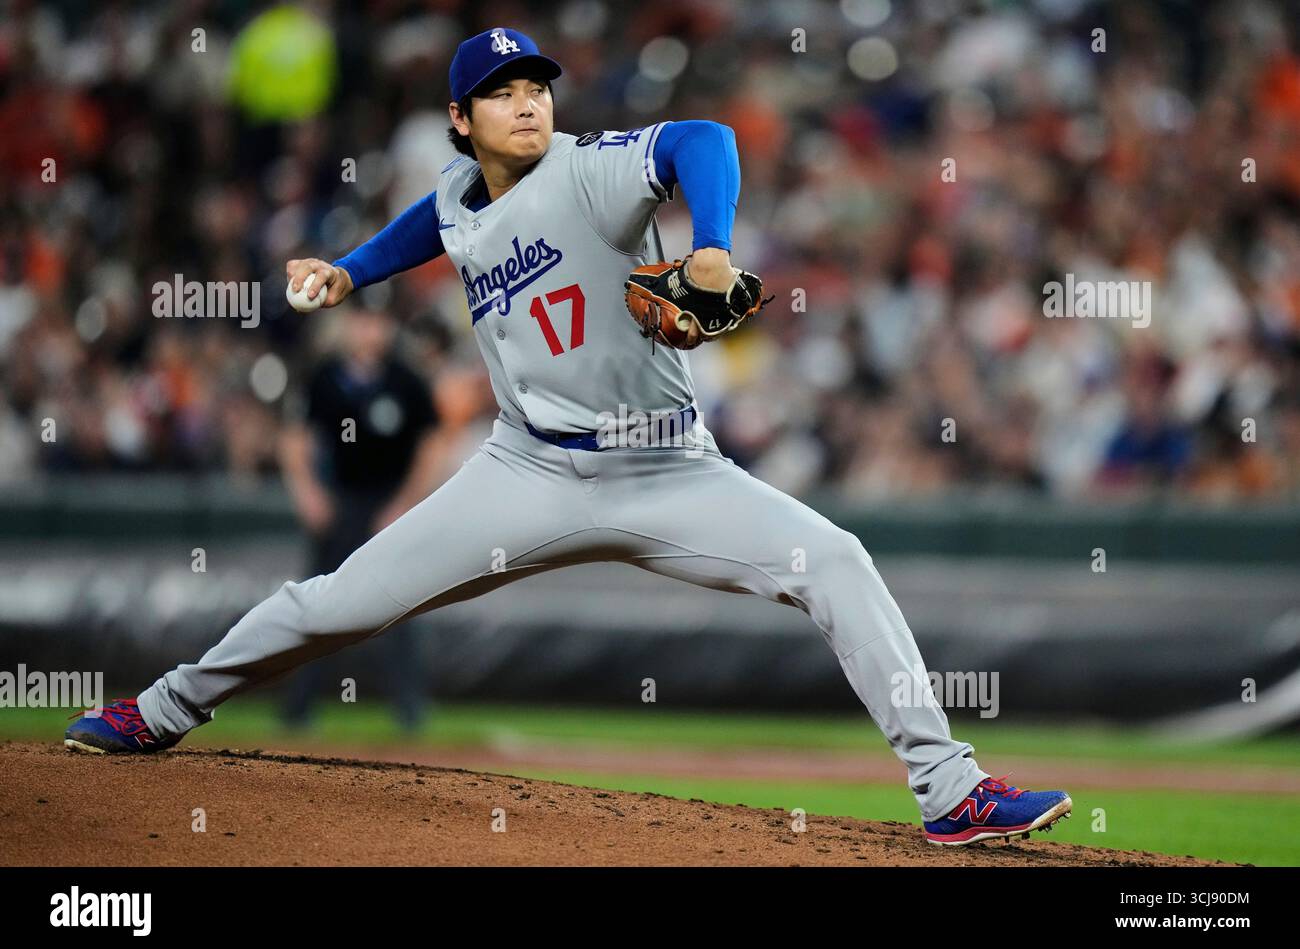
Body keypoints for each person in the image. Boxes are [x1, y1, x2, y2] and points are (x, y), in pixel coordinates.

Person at [67, 27, 1071, 847]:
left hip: (670, 469)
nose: (528, 101)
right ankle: (159, 708)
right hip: (526, 471)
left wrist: (712, 244)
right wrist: (351, 270)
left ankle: (949, 789)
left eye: (536, 84)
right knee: (332, 603)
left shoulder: (589, 172)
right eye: (501, 92)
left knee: (838, 559)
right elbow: (437, 220)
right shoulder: (464, 196)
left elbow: (702, 139)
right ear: (460, 120)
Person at [277, 306, 443, 733]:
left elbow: (430, 445)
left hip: (390, 504)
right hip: (342, 503)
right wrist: (308, 493)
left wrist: (405, 503)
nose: (371, 330)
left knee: (401, 606)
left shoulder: (405, 380)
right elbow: (294, 437)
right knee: (317, 601)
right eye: (364, 320)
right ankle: (298, 708)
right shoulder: (325, 376)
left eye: (379, 321)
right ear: (349, 325)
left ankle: (410, 711)